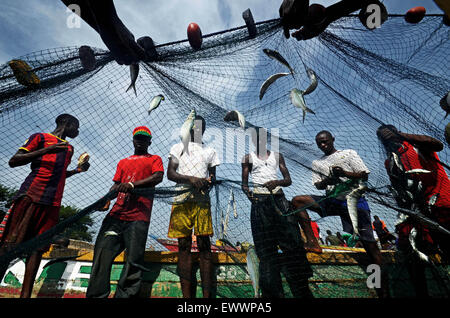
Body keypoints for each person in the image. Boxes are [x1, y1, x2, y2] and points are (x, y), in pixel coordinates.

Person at [0, 114, 89, 298]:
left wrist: (78, 170)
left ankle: (25, 295)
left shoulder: (69, 149)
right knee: (9, 245)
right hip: (31, 196)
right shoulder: (40, 137)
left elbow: (59, 174)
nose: (77, 132)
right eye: (76, 127)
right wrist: (48, 149)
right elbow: (14, 160)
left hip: (52, 203)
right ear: (67, 123)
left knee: (38, 249)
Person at [291, 130, 389, 297]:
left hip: (354, 201)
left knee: (371, 248)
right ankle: (313, 242)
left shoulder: (348, 154)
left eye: (325, 141)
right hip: (333, 201)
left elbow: (363, 175)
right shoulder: (317, 163)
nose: (323, 145)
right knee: (298, 201)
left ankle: (381, 288)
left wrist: (344, 173)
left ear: (332, 139)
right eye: (319, 143)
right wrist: (329, 179)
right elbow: (318, 186)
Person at [86, 126, 163, 298]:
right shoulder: (123, 162)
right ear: (133, 140)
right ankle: (96, 296)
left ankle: (125, 296)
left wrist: (132, 185)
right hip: (115, 215)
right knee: (101, 257)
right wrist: (107, 199)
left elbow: (158, 177)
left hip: (139, 217)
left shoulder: (155, 159)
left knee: (133, 261)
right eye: (138, 138)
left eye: (144, 139)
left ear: (149, 142)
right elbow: (116, 185)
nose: (140, 141)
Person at [377, 124, 450, 296]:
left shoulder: (417, 146)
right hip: (421, 213)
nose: (386, 138)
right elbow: (399, 190)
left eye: (389, 133)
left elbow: (437, 144)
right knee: (412, 250)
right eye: (382, 137)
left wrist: (401, 135)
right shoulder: (390, 162)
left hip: (443, 205)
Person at [242, 127, 313, 298]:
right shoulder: (247, 158)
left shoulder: (277, 155)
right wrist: (250, 195)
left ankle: (301, 289)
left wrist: (277, 181)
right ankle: (272, 293)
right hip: (260, 202)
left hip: (279, 200)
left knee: (292, 243)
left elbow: (288, 180)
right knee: (266, 249)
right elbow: (244, 184)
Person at [167, 115, 219, 298]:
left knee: (205, 246)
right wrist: (191, 179)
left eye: (200, 127)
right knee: (183, 246)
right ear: (188, 128)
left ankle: (207, 297)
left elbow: (213, 177)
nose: (196, 129)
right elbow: (171, 174)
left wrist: (207, 182)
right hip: (181, 200)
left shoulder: (210, 151)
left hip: (202, 202)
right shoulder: (178, 147)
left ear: (204, 129)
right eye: (193, 127)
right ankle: (187, 299)